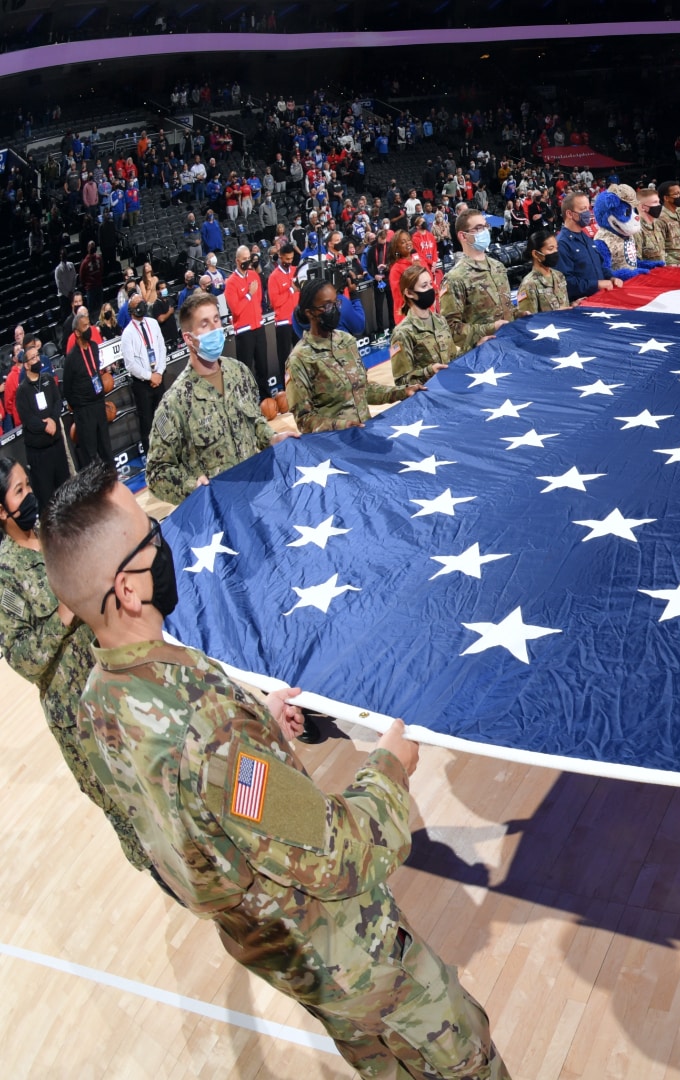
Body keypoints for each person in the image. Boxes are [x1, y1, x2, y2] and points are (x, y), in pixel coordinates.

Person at [37, 464, 509, 1078]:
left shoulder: (100, 699)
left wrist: (255, 724)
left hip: (283, 953)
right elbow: (340, 853)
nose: (164, 543)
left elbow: (195, 805)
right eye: (151, 535)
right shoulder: (210, 732)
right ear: (127, 589)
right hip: (353, 963)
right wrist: (390, 766)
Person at [0, 461, 150, 877]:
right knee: (125, 806)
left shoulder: (53, 537)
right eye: (18, 491)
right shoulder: (5, 577)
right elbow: (23, 658)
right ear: (1, 510)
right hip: (80, 713)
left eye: (29, 483)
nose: (30, 495)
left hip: (118, 678)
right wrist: (64, 613)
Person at [146, 293, 294, 505]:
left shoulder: (239, 372)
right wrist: (192, 487)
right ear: (188, 338)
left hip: (259, 493)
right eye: (205, 324)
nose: (215, 329)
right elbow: (157, 472)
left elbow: (254, 422)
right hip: (219, 509)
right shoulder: (175, 402)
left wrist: (271, 438)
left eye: (216, 319)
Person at [287, 277, 417, 433]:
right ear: (310, 313)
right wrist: (342, 425)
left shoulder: (346, 340)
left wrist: (402, 392)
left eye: (337, 303)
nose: (335, 309)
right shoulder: (300, 359)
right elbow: (304, 420)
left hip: (365, 433)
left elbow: (363, 390)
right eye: (328, 305)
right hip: (336, 445)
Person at [441, 209, 513, 353]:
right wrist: (487, 330)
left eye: (485, 226)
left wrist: (519, 314)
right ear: (463, 236)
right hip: (482, 352)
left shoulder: (497, 267)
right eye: (478, 228)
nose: (485, 231)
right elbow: (450, 327)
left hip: (510, 344)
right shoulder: (455, 278)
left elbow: (504, 307)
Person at [13, 338, 70, 507]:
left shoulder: (46, 379)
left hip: (57, 445)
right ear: (26, 364)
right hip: (39, 453)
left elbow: (57, 401)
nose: (37, 360)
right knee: (48, 498)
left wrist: (53, 420)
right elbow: (28, 419)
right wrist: (46, 426)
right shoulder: (22, 391)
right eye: (32, 358)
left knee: (66, 489)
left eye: (37, 356)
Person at [387, 265, 460, 391]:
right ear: (409, 293)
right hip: (430, 398)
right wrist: (429, 371)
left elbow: (452, 358)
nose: (431, 289)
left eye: (431, 284)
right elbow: (402, 383)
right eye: (424, 286)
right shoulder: (402, 333)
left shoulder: (440, 320)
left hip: (452, 389)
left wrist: (474, 345)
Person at [62, 307, 111, 470]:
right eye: (84, 327)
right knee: (91, 453)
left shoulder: (94, 348)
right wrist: (80, 405)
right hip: (84, 410)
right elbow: (67, 389)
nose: (88, 329)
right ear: (77, 332)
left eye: (89, 325)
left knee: (106, 446)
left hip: (99, 403)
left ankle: (113, 480)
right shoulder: (71, 359)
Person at [226, 245, 273, 406]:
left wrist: (251, 297)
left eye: (248, 258)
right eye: (244, 259)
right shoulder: (231, 282)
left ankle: (267, 401)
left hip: (258, 327)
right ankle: (249, 404)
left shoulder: (254, 275)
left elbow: (259, 300)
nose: (247, 261)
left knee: (263, 367)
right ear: (237, 261)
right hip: (244, 330)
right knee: (246, 369)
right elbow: (236, 310)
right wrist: (248, 294)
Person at [118, 301, 167, 455]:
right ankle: (151, 457)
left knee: (164, 417)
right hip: (142, 384)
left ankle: (170, 450)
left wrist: (159, 372)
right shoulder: (127, 333)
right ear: (132, 310)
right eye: (138, 304)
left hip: (159, 377)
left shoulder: (153, 323)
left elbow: (161, 347)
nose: (142, 306)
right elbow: (130, 364)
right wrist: (149, 376)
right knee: (147, 424)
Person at [556, 191, 615, 304]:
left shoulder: (585, 236)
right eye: (583, 209)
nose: (588, 213)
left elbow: (599, 265)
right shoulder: (562, 243)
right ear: (569, 214)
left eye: (588, 208)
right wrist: (596, 284)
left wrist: (610, 277)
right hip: (582, 305)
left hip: (600, 299)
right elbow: (566, 282)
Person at [515, 230, 570, 316]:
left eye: (556, 248)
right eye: (551, 249)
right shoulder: (528, 284)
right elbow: (528, 321)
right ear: (536, 254)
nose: (555, 252)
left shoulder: (559, 275)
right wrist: (556, 314)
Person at [268, 244, 301, 363]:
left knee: (301, 355)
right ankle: (285, 381)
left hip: (297, 320)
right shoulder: (273, 277)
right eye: (287, 259)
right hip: (283, 323)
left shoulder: (295, 271)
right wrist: (291, 290)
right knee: (285, 358)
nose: (289, 261)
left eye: (291, 258)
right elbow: (275, 302)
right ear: (280, 257)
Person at [659, 183, 680, 265]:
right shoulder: (661, 218)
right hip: (672, 268)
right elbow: (659, 249)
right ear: (666, 198)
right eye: (676, 194)